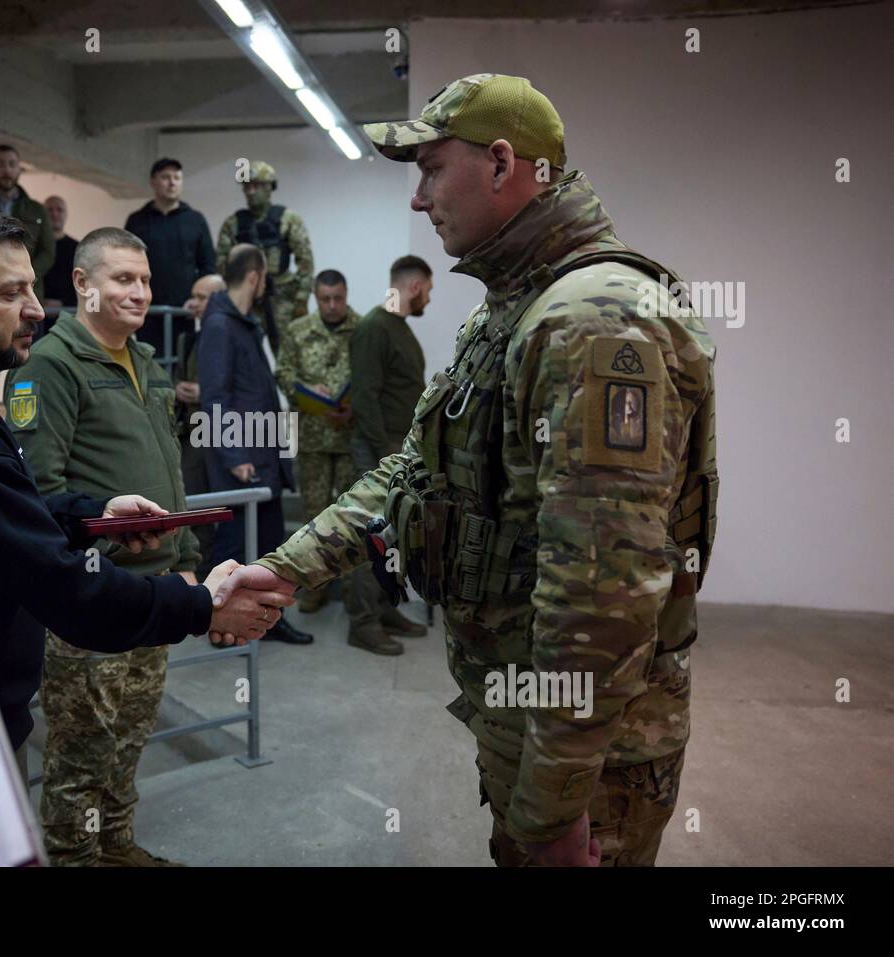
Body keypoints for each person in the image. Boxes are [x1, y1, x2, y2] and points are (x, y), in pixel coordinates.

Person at [215, 74, 718, 867]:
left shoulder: (590, 318)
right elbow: (416, 470)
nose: (418, 199)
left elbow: (601, 592)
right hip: (525, 715)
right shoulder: (514, 306)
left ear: (502, 164)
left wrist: (554, 809)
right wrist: (283, 569)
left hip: (591, 758)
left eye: (430, 169)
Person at [0, 204, 296, 786]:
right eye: (10, 294)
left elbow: (8, 509)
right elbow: (65, 589)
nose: (36, 308)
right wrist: (201, 603)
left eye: (32, 287)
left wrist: (93, 516)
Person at [2, 227, 203, 868]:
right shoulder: (48, 368)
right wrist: (112, 552)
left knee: (130, 736)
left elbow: (169, 469)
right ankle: (74, 858)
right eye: (123, 279)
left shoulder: (144, 362)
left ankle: (116, 844)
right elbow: (40, 493)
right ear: (82, 284)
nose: (140, 292)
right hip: (93, 598)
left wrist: (188, 559)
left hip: (155, 591)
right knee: (82, 749)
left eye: (144, 280)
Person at [197, 244, 311, 646]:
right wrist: (234, 456)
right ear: (254, 276)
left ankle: (268, 621)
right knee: (233, 549)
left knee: (269, 546)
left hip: (262, 456)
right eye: (265, 277)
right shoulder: (219, 326)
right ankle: (219, 623)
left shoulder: (243, 323)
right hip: (243, 463)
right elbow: (213, 398)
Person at [342, 255, 433, 654]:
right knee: (372, 538)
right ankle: (362, 623)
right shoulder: (373, 328)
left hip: (397, 448)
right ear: (414, 286)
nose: (429, 297)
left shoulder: (396, 328)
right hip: (380, 450)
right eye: (428, 289)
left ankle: (384, 609)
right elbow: (364, 396)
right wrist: (385, 455)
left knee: (394, 537)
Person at [273, 269, 360, 615]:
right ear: (314, 297)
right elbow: (283, 373)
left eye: (338, 298)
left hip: (351, 437)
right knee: (315, 519)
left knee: (354, 519)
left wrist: (355, 405)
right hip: (313, 437)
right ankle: (315, 589)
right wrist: (307, 392)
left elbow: (371, 377)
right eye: (325, 299)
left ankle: (356, 595)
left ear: (346, 293)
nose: (333, 305)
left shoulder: (364, 328)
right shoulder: (297, 331)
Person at [215, 161, 314, 348]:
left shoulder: (288, 220)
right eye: (247, 187)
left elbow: (305, 261)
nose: (251, 191)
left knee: (288, 354)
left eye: (257, 186)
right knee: (245, 352)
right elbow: (222, 262)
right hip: (247, 300)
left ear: (270, 188)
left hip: (283, 299)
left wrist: (301, 298)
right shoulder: (234, 223)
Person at [123, 157, 216, 354]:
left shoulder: (195, 220)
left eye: (177, 177)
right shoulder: (137, 221)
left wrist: (197, 299)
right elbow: (126, 263)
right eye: (166, 177)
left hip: (183, 311)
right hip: (145, 310)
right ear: (153, 182)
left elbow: (208, 265)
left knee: (180, 367)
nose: (172, 182)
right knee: (149, 365)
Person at [174, 273, 227, 579]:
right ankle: (204, 584)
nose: (192, 304)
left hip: (230, 435)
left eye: (201, 297)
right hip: (195, 435)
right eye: (192, 296)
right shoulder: (188, 339)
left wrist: (206, 392)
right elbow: (177, 378)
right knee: (197, 515)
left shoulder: (232, 336)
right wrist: (178, 387)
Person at [0, 144, 55, 299]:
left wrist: (26, 274)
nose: (6, 170)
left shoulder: (37, 209)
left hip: (30, 293)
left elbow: (48, 252)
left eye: (12, 164)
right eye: (0, 164)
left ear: (19, 169)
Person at [39, 194, 78, 331]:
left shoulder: (77, 248)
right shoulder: (33, 248)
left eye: (59, 210)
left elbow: (86, 285)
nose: (55, 214)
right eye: (50, 210)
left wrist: (63, 303)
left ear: (65, 214)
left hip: (67, 317)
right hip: (37, 317)